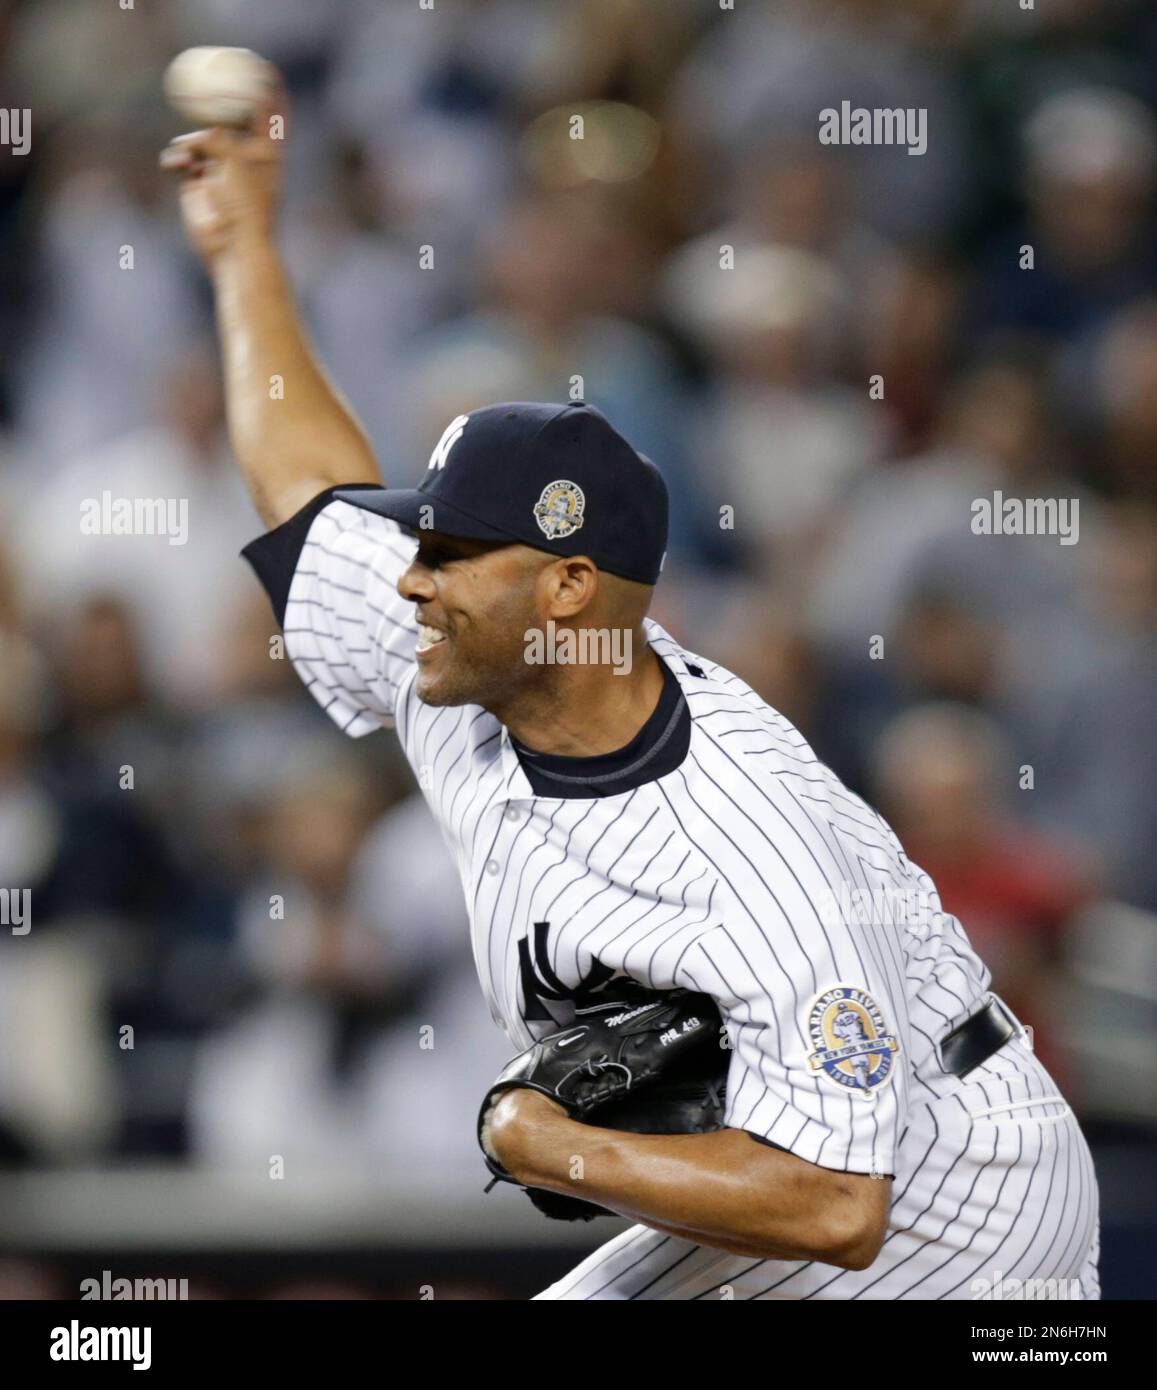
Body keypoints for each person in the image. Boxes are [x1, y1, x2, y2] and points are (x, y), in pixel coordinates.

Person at [160, 86, 1100, 1300]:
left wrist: (554, 1146)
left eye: (449, 556)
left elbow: (834, 1205)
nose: (410, 583)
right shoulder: (459, 663)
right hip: (814, 1171)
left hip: (950, 1206)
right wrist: (242, 251)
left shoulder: (745, 840)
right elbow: (307, 490)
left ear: (562, 591)